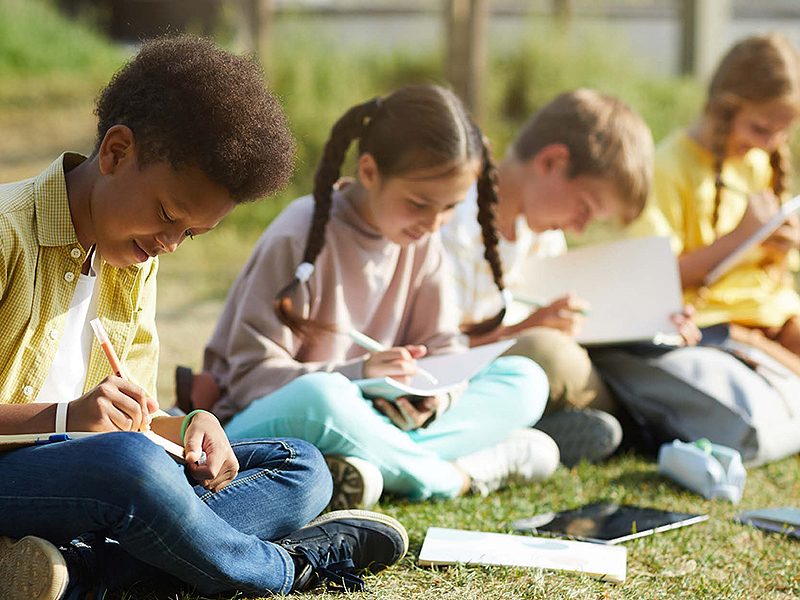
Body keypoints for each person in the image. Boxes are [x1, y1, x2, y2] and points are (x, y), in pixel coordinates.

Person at [0, 36, 407, 600]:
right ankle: (284, 569)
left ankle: (83, 575)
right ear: (116, 152)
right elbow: (104, 437)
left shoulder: (134, 255)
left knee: (301, 465)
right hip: (34, 474)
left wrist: (189, 427)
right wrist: (63, 417)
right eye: (168, 215)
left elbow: (131, 419)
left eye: (189, 233)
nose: (169, 244)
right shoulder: (6, 233)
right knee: (131, 469)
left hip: (98, 473)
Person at [194, 84, 558, 508]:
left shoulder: (423, 240)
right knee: (326, 397)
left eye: (448, 208)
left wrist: (436, 397)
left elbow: (446, 349)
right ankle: (453, 476)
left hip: (378, 419)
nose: (433, 222)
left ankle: (362, 464)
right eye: (419, 203)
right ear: (369, 173)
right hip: (264, 418)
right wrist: (359, 372)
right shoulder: (298, 235)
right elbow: (250, 378)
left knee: (526, 381)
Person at [440, 89, 658, 466]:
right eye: (585, 208)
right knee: (549, 353)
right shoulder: (451, 218)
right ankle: (635, 427)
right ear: (552, 162)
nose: (581, 226)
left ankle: (539, 434)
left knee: (570, 353)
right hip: (459, 375)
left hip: (510, 379)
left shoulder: (542, 236)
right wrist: (527, 329)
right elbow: (435, 341)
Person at [626, 33, 800, 364]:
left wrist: (782, 243)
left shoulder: (756, 162)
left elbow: (773, 269)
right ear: (724, 110)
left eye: (782, 134)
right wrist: (740, 238)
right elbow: (656, 280)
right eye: (760, 129)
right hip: (716, 323)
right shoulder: (667, 169)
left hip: (776, 313)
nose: (769, 144)